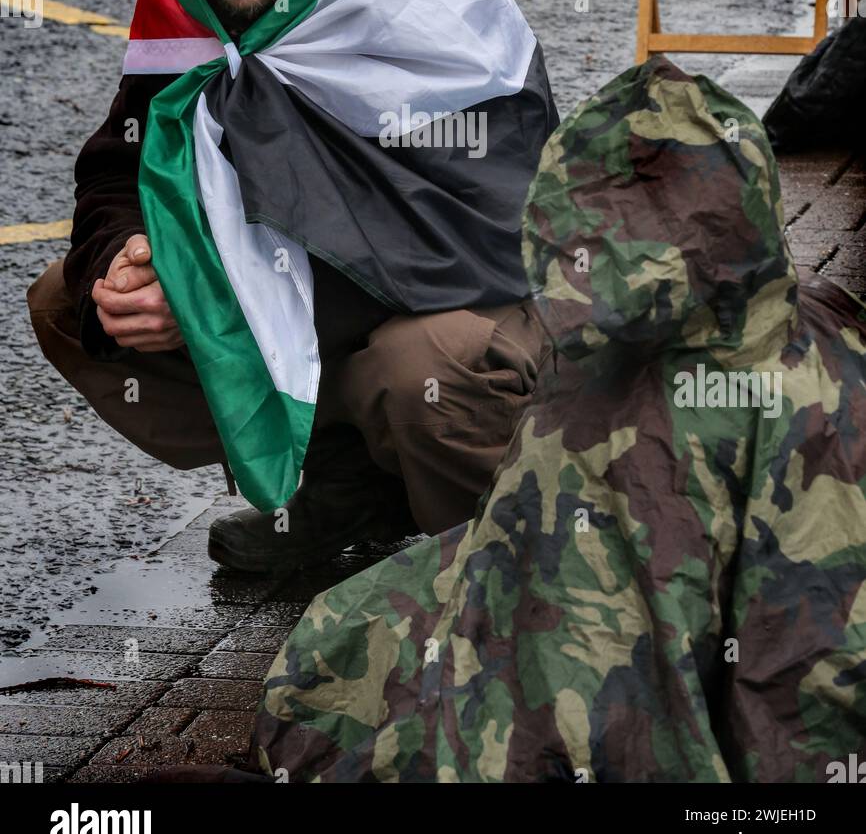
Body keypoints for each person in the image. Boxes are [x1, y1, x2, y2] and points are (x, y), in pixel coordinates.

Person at [244, 57, 866, 783]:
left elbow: (574, 658)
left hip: (667, 668)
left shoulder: (606, 386)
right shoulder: (822, 323)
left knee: (362, 661)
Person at [27, 0, 558, 575]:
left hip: (471, 300)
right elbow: (118, 165)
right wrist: (128, 263)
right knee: (69, 300)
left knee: (426, 369)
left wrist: (210, 299)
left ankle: (528, 569)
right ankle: (348, 482)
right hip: (313, 313)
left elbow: (461, 244)